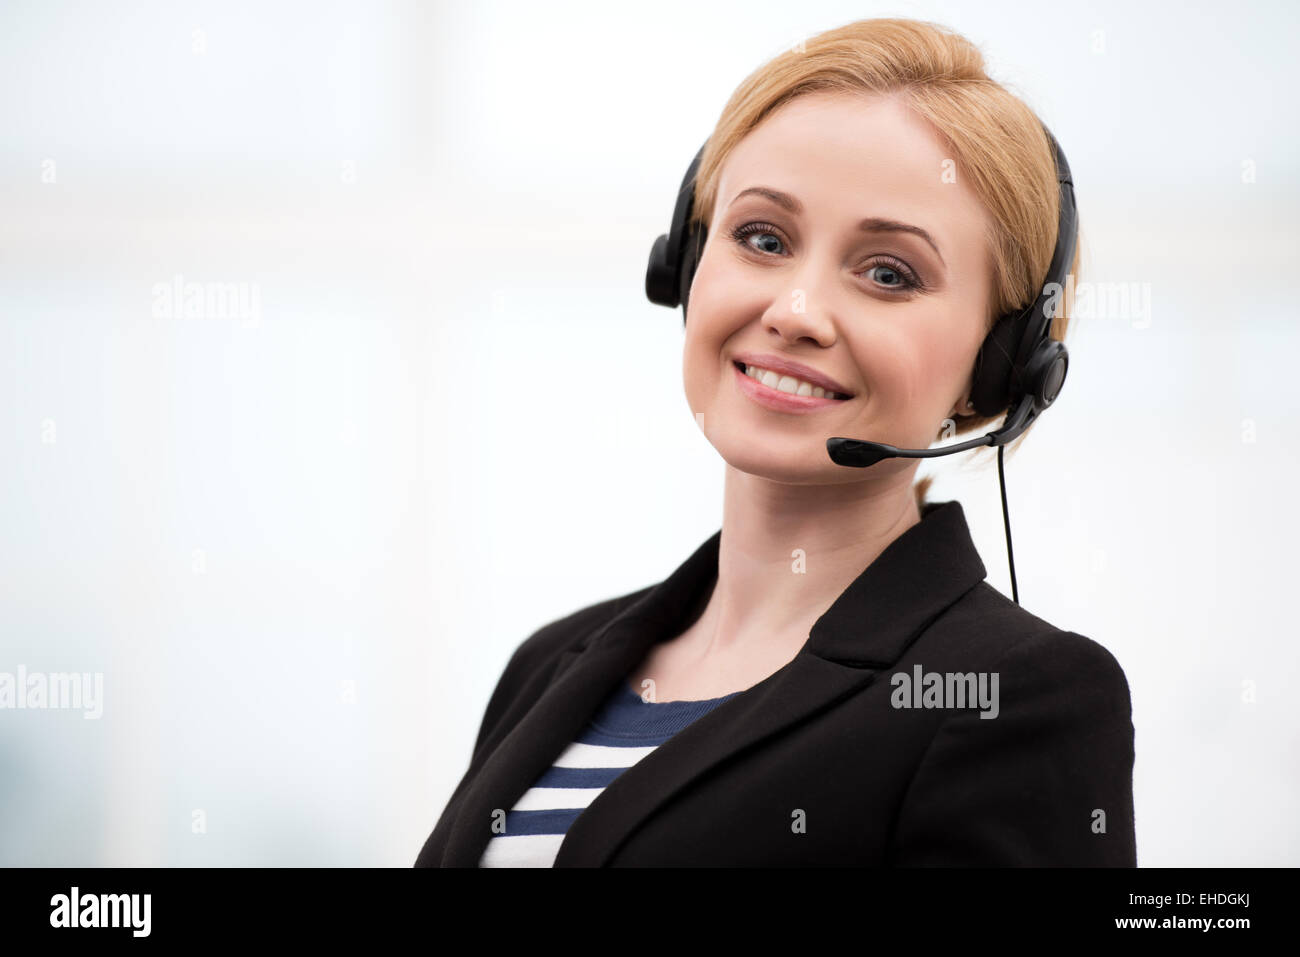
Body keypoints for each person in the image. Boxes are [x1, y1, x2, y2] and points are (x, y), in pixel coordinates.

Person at [415, 17, 1136, 867]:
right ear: (685, 261)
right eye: (763, 238)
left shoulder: (1014, 695)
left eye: (888, 273)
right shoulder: (549, 664)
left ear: (997, 363)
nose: (795, 311)